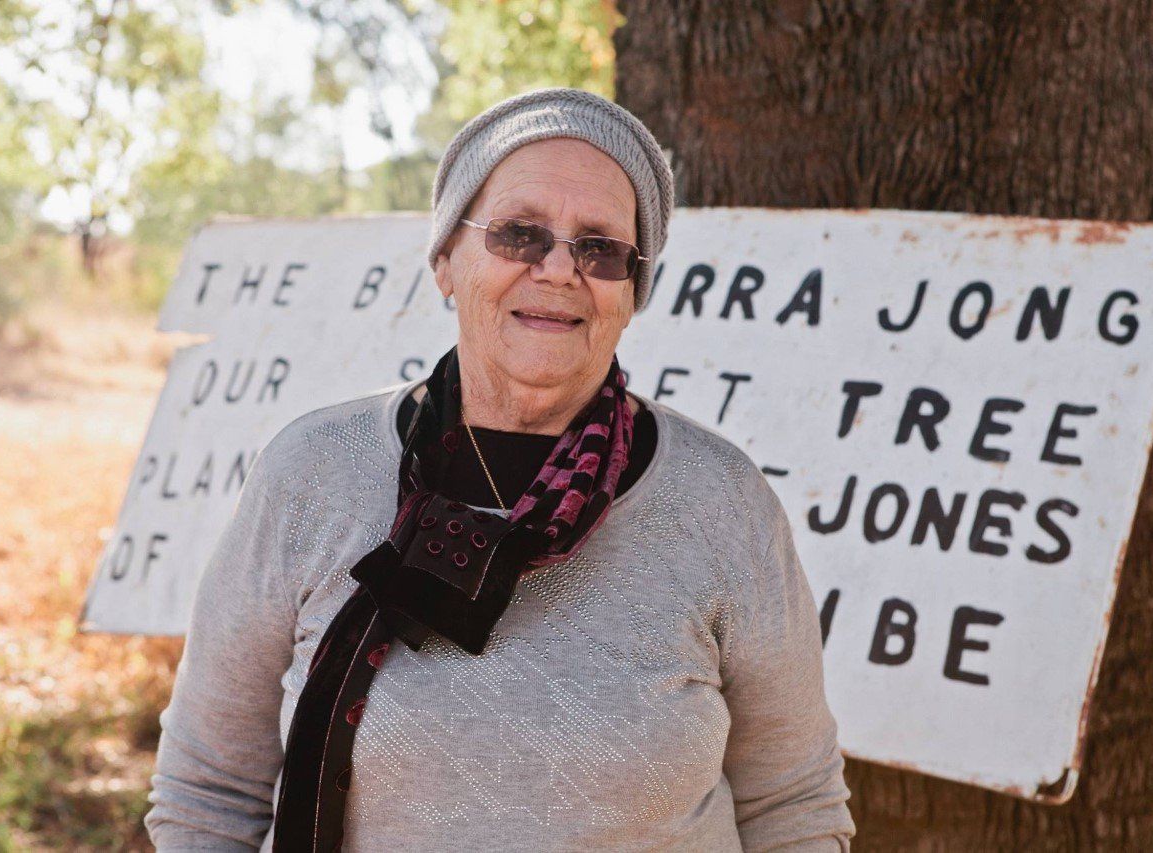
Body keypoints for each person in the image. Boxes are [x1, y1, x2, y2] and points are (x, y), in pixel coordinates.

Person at [144, 87, 855, 851]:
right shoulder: (313, 473)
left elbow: (793, 805)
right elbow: (208, 791)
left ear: (631, 291)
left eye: (600, 247)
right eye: (519, 234)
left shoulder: (720, 500)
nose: (558, 269)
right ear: (447, 259)